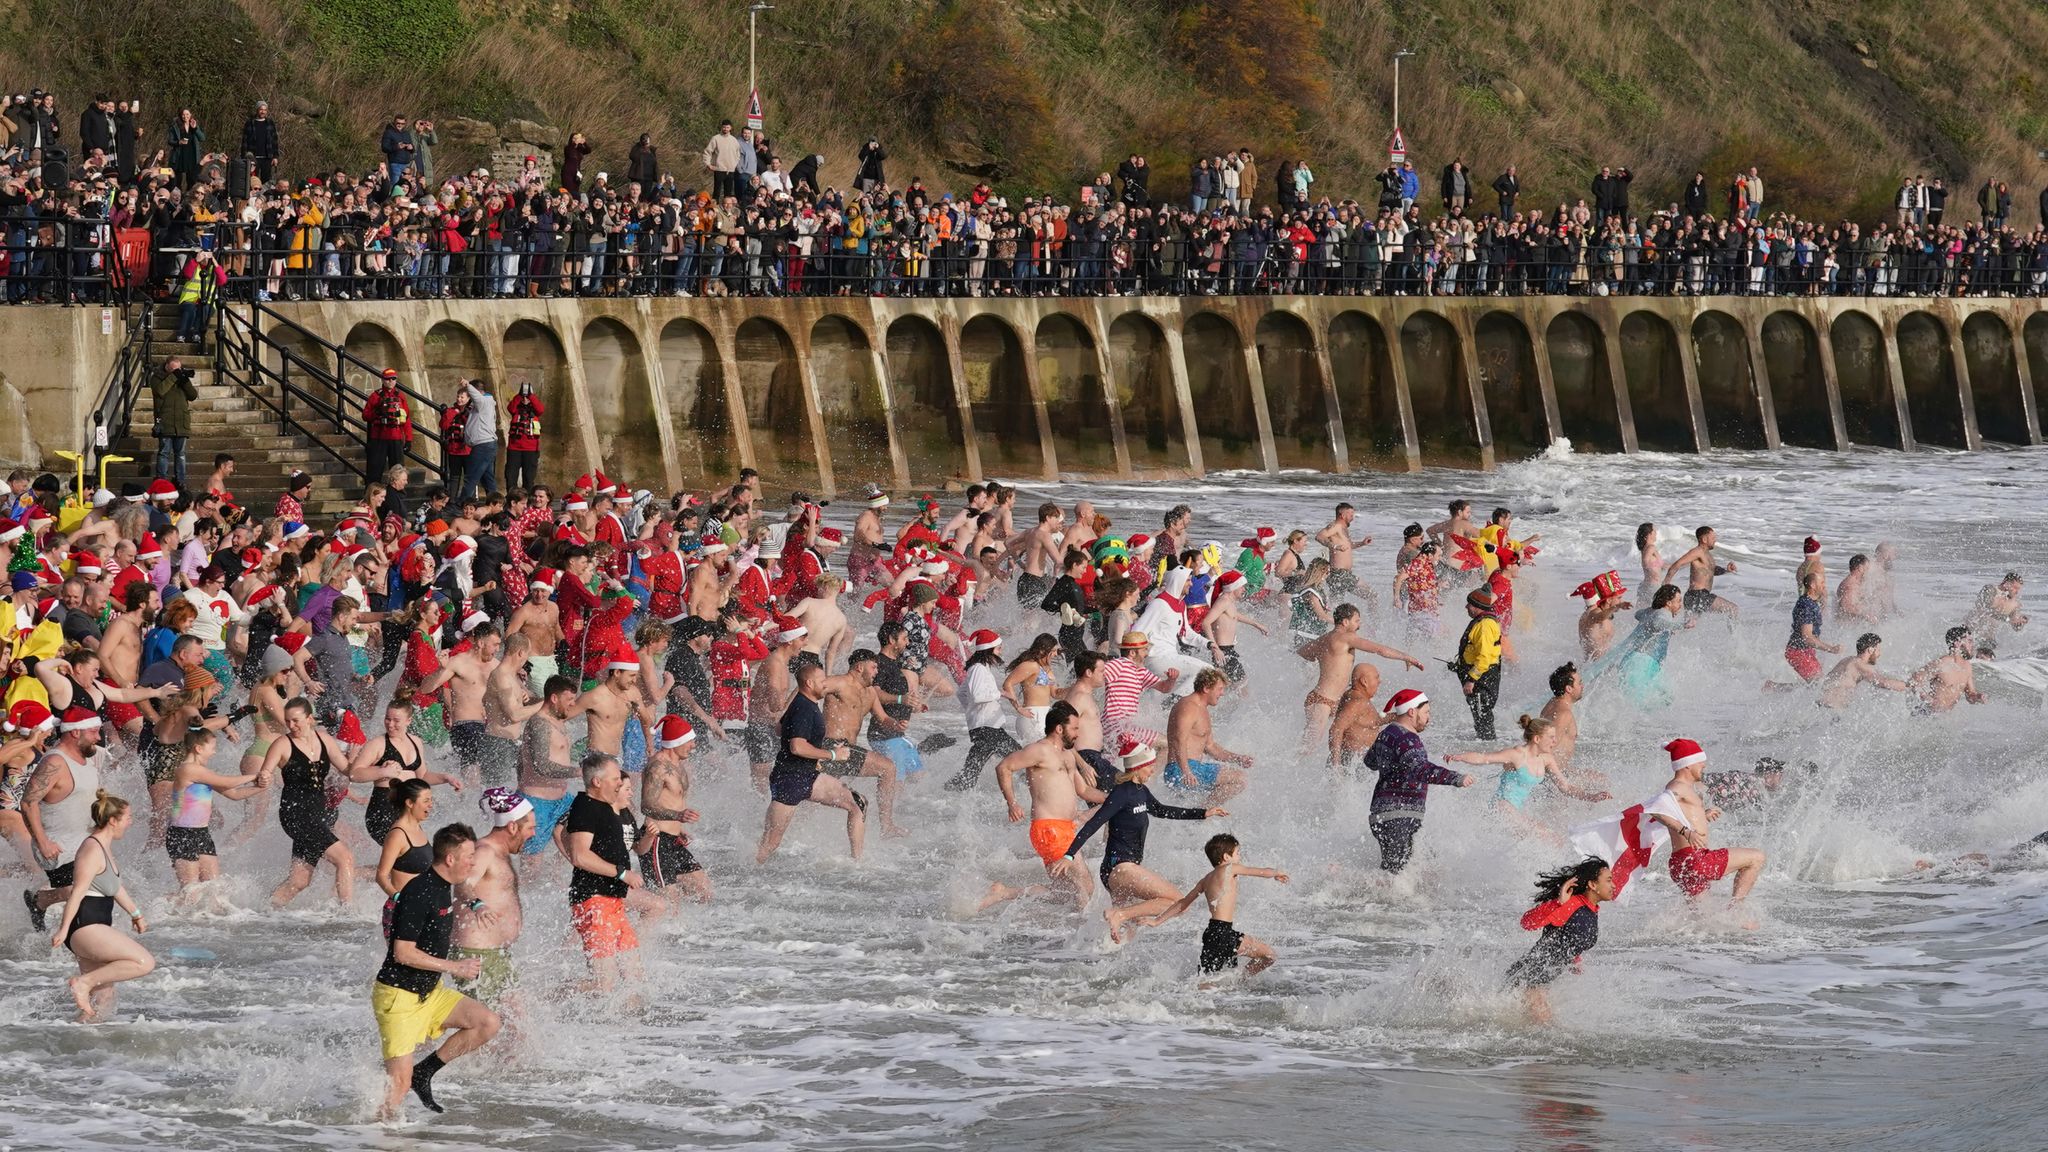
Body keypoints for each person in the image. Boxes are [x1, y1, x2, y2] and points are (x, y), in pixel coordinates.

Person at [373, 823, 503, 1120]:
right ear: (450, 859)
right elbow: (402, 953)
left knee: (487, 1023)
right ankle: (378, 1135)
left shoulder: (443, 883)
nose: (474, 861)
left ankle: (425, 1072)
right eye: (470, 856)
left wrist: (478, 904)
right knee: (398, 1085)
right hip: (399, 997)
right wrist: (454, 967)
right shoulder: (419, 893)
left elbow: (462, 886)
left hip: (428, 993)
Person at [1055, 736, 1227, 942]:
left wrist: (1202, 813)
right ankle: (1119, 915)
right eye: (1149, 766)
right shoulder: (1120, 794)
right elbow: (1094, 824)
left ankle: (1097, 955)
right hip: (1120, 868)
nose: (1153, 770)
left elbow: (1162, 810)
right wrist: (1069, 855)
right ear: (1137, 767)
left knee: (1125, 940)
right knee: (1177, 902)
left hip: (1124, 869)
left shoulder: (1141, 792)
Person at [982, 701, 1106, 912]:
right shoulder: (1039, 750)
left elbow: (1083, 791)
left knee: (1063, 894)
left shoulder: (1067, 755)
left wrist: (1115, 797)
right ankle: (1079, 941)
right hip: (1050, 829)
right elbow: (1004, 767)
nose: (1078, 733)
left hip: (1066, 829)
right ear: (1059, 728)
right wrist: (1012, 803)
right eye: (1074, 728)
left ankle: (1005, 893)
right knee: (1085, 888)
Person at [48, 791, 155, 1023]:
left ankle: (73, 1044)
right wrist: (63, 929)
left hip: (94, 924)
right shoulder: (92, 849)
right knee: (144, 962)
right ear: (113, 820)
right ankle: (82, 983)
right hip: (85, 925)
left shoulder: (104, 847)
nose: (131, 821)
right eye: (128, 817)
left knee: (103, 1000)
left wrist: (136, 914)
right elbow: (77, 892)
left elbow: (115, 887)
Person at [1129, 833, 1288, 980]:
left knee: (1205, 982)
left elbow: (1183, 904)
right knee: (1269, 956)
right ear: (1226, 856)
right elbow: (1258, 871)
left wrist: (1157, 921)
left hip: (1211, 934)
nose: (1240, 857)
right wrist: (1277, 872)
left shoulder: (1206, 879)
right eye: (1238, 853)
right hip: (1225, 933)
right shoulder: (1230, 868)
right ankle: (1241, 980)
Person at [758, 661, 868, 863]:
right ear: (809, 683)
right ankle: (748, 875)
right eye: (822, 681)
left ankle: (857, 863)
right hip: (789, 781)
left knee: (857, 803)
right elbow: (797, 747)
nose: (826, 684)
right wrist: (832, 755)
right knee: (770, 843)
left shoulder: (803, 703)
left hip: (806, 776)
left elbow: (779, 730)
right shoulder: (804, 709)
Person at [565, 753, 658, 991]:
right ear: (597, 781)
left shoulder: (609, 808)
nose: (620, 782)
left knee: (634, 977)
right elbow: (579, 855)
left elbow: (636, 847)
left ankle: (634, 1025)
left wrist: (648, 836)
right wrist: (622, 873)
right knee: (603, 985)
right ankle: (545, 1001)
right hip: (593, 900)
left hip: (613, 900)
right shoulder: (585, 807)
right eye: (616, 778)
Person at [1361, 689, 1474, 873]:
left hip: (1383, 814)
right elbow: (1421, 770)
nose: (1428, 718)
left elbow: (1370, 762)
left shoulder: (1386, 734)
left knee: (1403, 872)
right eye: (1426, 712)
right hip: (1399, 815)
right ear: (1412, 711)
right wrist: (1456, 778)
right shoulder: (1407, 738)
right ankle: (1344, 883)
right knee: (1397, 875)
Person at [1446, 714, 1608, 837]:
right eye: (1551, 737)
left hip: (1516, 810)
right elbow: (1484, 758)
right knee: (1547, 836)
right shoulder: (1517, 755)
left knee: (1547, 838)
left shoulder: (1547, 759)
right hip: (1502, 807)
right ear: (1537, 739)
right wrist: (1458, 757)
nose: (1555, 741)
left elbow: (1565, 787)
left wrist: (1590, 796)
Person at [262, 697, 356, 908]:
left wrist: (363, 757)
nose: (291, 725)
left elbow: (349, 770)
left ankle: (267, 909)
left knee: (299, 881)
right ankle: (348, 914)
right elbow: (265, 772)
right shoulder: (282, 744)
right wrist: (264, 777)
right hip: (296, 815)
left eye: (296, 720)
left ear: (310, 718)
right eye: (288, 721)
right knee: (345, 858)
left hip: (316, 814)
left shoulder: (324, 739)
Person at [1505, 857, 1622, 1024]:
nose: (1614, 885)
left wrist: (1575, 959)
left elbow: (1568, 936)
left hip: (1538, 981)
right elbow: (1527, 923)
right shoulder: (1571, 904)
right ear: (1592, 885)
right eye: (1609, 880)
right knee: (1547, 1035)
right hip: (1528, 979)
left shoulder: (1591, 909)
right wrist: (1558, 903)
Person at [1652, 738, 1767, 901]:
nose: (1703, 767)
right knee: (1757, 857)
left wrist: (1701, 815)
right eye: (1700, 763)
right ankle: (1737, 910)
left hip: (1682, 863)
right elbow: (1657, 810)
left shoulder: (1682, 787)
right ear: (1687, 765)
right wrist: (1687, 832)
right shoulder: (1678, 787)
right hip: (1695, 859)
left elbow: (1676, 812)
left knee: (1703, 918)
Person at [1297, 603, 1424, 749]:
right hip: (1323, 702)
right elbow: (1379, 649)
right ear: (1345, 622)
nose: (1359, 625)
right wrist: (1407, 657)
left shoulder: (1325, 638)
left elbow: (1303, 653)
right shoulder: (1346, 638)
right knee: (1308, 747)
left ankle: (1344, 767)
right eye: (1357, 621)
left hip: (1326, 700)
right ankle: (1284, 769)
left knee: (1355, 730)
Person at [452, 789, 533, 1019]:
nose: (533, 834)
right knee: (492, 1027)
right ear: (512, 827)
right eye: (530, 828)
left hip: (495, 954)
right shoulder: (484, 851)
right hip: (477, 956)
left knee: (518, 1024)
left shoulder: (500, 853)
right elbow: (461, 884)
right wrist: (478, 904)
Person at [165, 729, 260, 907]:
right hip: (181, 833)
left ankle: (212, 929)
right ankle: (158, 908)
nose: (215, 751)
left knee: (214, 891)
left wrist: (262, 786)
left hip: (201, 832)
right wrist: (256, 775)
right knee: (191, 893)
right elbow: (226, 782)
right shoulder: (187, 769)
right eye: (213, 747)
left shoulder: (203, 773)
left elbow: (234, 794)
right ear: (198, 748)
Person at [638, 717, 709, 904]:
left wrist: (678, 826)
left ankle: (691, 932)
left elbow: (672, 800)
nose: (693, 745)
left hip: (674, 840)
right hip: (656, 840)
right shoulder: (657, 767)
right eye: (689, 741)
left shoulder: (679, 764)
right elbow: (646, 805)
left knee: (704, 892)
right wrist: (678, 816)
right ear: (676, 741)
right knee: (670, 905)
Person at [1164, 669, 1252, 806]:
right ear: (1206, 688)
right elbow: (1178, 740)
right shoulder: (1188, 706)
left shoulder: (1202, 710)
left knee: (1237, 780)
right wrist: (1186, 771)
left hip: (1192, 768)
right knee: (1239, 779)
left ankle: (1198, 816)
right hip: (1181, 769)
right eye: (1220, 689)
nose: (1222, 693)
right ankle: (1202, 813)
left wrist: (1238, 759)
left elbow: (1211, 747)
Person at [1451, 587, 1506, 739]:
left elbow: (1484, 658)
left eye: (1469, 604)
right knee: (1479, 713)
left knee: (1483, 714)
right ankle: (1484, 745)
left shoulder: (1485, 626)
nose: (1466, 607)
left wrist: (1471, 679)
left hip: (1483, 677)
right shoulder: (1481, 622)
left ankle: (1488, 748)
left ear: (1478, 606)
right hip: (1480, 675)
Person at [1818, 633, 1910, 708]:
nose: (1879, 654)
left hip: (1820, 706)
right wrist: (1910, 686)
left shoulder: (1847, 660)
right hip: (1830, 710)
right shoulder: (1860, 665)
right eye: (1878, 650)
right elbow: (1884, 682)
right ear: (1870, 650)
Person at [1908, 626, 1984, 712]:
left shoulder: (1967, 666)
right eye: (1969, 641)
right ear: (1957, 643)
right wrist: (1930, 700)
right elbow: (1913, 682)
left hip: (1943, 717)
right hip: (1926, 715)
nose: (1972, 645)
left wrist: (1977, 697)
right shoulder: (1942, 663)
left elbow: (1970, 696)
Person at [1668, 526, 1738, 618]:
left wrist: (1726, 570)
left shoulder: (1707, 555)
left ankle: (1668, 631)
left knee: (1690, 626)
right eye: (1713, 538)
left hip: (1697, 596)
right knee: (1733, 609)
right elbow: (1677, 564)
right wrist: (1666, 582)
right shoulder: (1698, 551)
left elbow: (1711, 571)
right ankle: (1734, 633)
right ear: (1704, 539)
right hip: (1698, 595)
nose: (1715, 540)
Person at [150, 357, 197, 487]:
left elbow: (193, 396)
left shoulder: (180, 380)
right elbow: (160, 391)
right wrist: (173, 377)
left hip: (181, 422)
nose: (177, 372)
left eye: (179, 369)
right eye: (174, 370)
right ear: (166, 367)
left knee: (180, 454)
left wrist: (184, 380)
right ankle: (161, 479)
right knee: (164, 453)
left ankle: (180, 480)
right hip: (165, 422)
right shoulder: (157, 378)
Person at [1315, 503, 1373, 596]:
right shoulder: (1335, 526)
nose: (1353, 517)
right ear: (1342, 515)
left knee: (1336, 604)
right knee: (1372, 595)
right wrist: (1335, 546)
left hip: (1343, 574)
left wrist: (1362, 543)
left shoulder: (1343, 529)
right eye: (1350, 515)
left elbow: (1348, 546)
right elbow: (1319, 536)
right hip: (1338, 574)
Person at [1964, 572, 2028, 653]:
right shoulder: (1990, 589)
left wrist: (2020, 623)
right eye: (2015, 588)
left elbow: (2015, 627)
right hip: (1969, 633)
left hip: (1989, 639)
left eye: (2019, 589)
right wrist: (2008, 619)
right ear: (2006, 583)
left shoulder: (2015, 604)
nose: (2017, 592)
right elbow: (1987, 610)